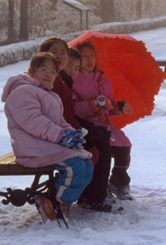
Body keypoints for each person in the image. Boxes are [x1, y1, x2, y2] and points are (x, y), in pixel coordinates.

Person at [1, 52, 94, 222]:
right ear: (31, 71)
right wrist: (62, 137)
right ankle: (53, 204)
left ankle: (60, 202)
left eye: (53, 72)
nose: (49, 75)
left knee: (87, 166)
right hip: (32, 147)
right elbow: (35, 123)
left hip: (46, 144)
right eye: (44, 70)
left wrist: (72, 133)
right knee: (75, 167)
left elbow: (59, 121)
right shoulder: (22, 92)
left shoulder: (50, 95)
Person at [39, 38, 119, 213]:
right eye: (54, 52)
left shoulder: (63, 81)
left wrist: (115, 107)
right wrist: (83, 125)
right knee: (96, 142)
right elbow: (63, 114)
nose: (73, 71)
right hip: (53, 135)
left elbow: (66, 114)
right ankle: (91, 196)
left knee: (101, 141)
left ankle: (93, 193)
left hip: (65, 129)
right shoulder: (51, 80)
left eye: (63, 53)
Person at [73, 41, 134, 202]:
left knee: (124, 146)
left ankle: (118, 181)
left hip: (106, 125)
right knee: (100, 154)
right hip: (87, 126)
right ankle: (97, 187)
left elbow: (109, 105)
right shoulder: (74, 79)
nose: (89, 60)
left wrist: (119, 106)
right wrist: (93, 104)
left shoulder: (102, 79)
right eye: (84, 56)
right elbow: (74, 109)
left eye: (92, 56)